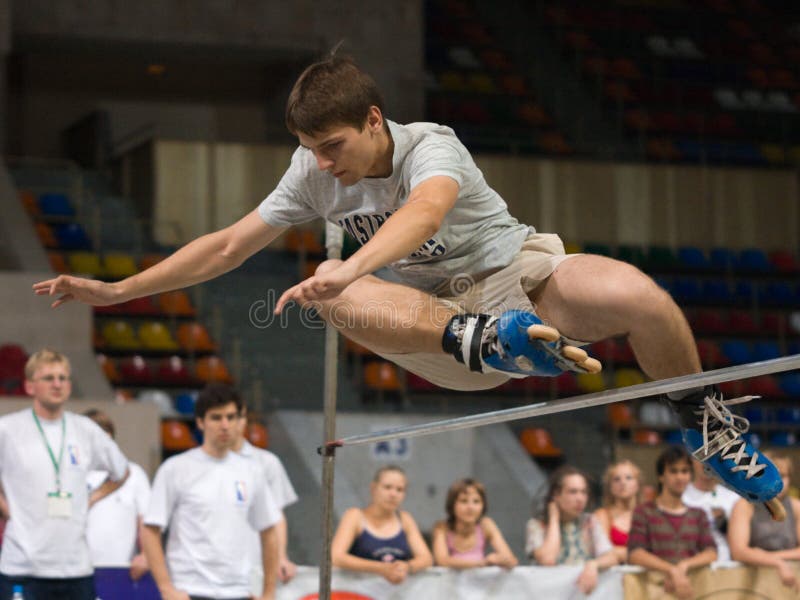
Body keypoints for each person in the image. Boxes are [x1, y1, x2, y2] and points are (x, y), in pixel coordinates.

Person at [32, 54, 781, 504]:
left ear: (373, 120)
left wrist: (353, 262)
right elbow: (228, 245)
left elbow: (424, 212)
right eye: (310, 152)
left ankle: (706, 420)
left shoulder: (433, 146)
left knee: (637, 295)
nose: (322, 165)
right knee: (330, 284)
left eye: (332, 147)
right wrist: (117, 292)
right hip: (432, 325)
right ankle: (485, 342)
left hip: (512, 277)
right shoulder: (311, 170)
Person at [0, 349, 130, 600]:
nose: (57, 384)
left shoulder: (86, 430)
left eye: (63, 378)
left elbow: (121, 470)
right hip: (23, 566)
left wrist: (93, 498)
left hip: (76, 567)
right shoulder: (8, 429)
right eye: (48, 378)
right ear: (29, 386)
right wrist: (7, 509)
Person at [142, 384, 281, 600]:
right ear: (200, 422)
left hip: (239, 591)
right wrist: (166, 588)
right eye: (216, 418)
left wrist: (269, 592)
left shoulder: (253, 471)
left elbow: (269, 531)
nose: (225, 425)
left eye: (231, 417)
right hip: (190, 590)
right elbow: (150, 530)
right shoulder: (175, 468)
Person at [628, 446, 717, 600]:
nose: (680, 477)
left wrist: (684, 566)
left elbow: (711, 552)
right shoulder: (644, 512)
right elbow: (635, 553)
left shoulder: (698, 514)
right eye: (673, 471)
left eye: (684, 471)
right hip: (653, 591)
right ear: (661, 476)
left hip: (691, 589)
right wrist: (671, 570)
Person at [83, 409, 154, 590]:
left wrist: (146, 555)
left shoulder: (134, 473)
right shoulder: (70, 475)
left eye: (104, 437)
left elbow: (146, 520)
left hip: (122, 569)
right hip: (76, 570)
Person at [231, 399, 298, 586]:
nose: (228, 423)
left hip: (255, 566)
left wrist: (281, 557)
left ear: (245, 420)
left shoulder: (267, 463)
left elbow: (276, 515)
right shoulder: (195, 466)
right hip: (209, 569)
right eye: (221, 417)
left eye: (236, 417)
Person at [330, 465, 432, 584]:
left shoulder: (405, 519)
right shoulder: (355, 516)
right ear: (373, 488)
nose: (393, 494)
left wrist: (406, 566)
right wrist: (381, 568)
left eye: (399, 489)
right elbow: (336, 557)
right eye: (387, 487)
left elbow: (426, 558)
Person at [526, 466, 618, 595]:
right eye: (573, 492)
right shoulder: (536, 525)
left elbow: (612, 557)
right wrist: (554, 518)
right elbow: (548, 559)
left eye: (584, 492)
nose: (580, 499)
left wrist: (593, 565)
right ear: (556, 495)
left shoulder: (590, 521)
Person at [728, 452, 800, 592]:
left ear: (790, 479)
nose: (777, 482)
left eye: (783, 476)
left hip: (790, 580)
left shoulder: (796, 506)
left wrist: (773, 558)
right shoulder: (744, 505)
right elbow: (738, 551)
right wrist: (777, 563)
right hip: (751, 582)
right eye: (772, 476)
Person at [431, 478, 517, 569]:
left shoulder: (486, 525)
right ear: (452, 505)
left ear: (483, 506)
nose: (470, 507)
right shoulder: (441, 528)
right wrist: (481, 563)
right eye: (463, 501)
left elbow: (511, 560)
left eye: (476, 501)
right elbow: (442, 560)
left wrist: (499, 560)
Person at [682, 457, 740, 562]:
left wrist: (724, 524)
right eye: (701, 458)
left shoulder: (734, 498)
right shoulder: (681, 496)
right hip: (690, 566)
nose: (706, 464)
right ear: (692, 460)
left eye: (712, 459)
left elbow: (742, 542)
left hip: (728, 567)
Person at [593, 459, 641, 563]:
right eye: (616, 479)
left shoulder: (646, 514)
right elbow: (603, 552)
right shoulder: (602, 515)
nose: (623, 483)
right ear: (610, 486)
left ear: (637, 484)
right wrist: (641, 556)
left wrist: (620, 553)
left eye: (629, 478)